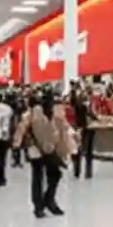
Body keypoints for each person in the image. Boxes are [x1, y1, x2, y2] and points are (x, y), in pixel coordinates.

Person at [17, 90, 73, 218]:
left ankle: (47, 201)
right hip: (36, 149)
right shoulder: (35, 113)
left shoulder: (52, 113)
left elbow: (59, 130)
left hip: (48, 148)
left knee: (53, 173)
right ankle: (40, 205)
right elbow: (27, 129)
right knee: (39, 176)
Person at [70, 87, 95, 179]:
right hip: (87, 129)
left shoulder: (77, 105)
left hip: (79, 129)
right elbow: (92, 115)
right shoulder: (85, 107)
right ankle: (88, 173)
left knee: (78, 151)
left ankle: (77, 171)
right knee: (88, 152)